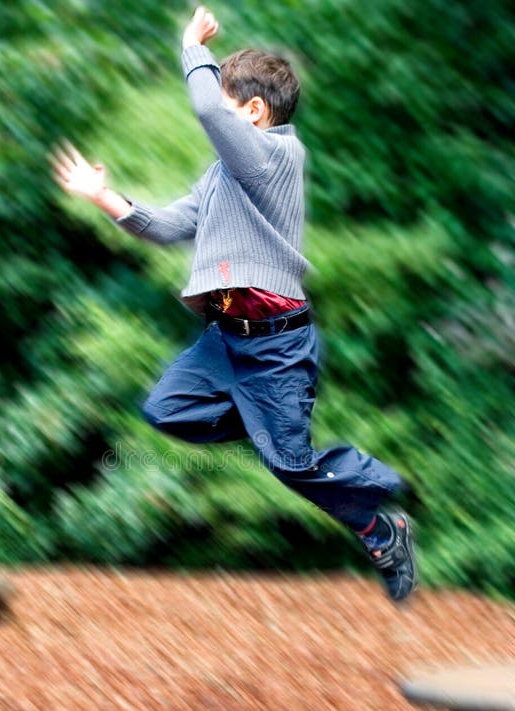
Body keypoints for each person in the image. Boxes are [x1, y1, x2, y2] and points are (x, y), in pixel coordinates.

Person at [51, 7, 417, 602]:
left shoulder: (274, 158)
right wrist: (103, 197)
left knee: (290, 465)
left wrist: (192, 45)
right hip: (226, 340)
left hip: (276, 343)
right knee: (168, 410)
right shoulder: (224, 175)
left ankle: (381, 523)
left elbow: (203, 107)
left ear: (253, 111)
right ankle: (270, 430)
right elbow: (167, 226)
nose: (217, 116)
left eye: (227, 104)